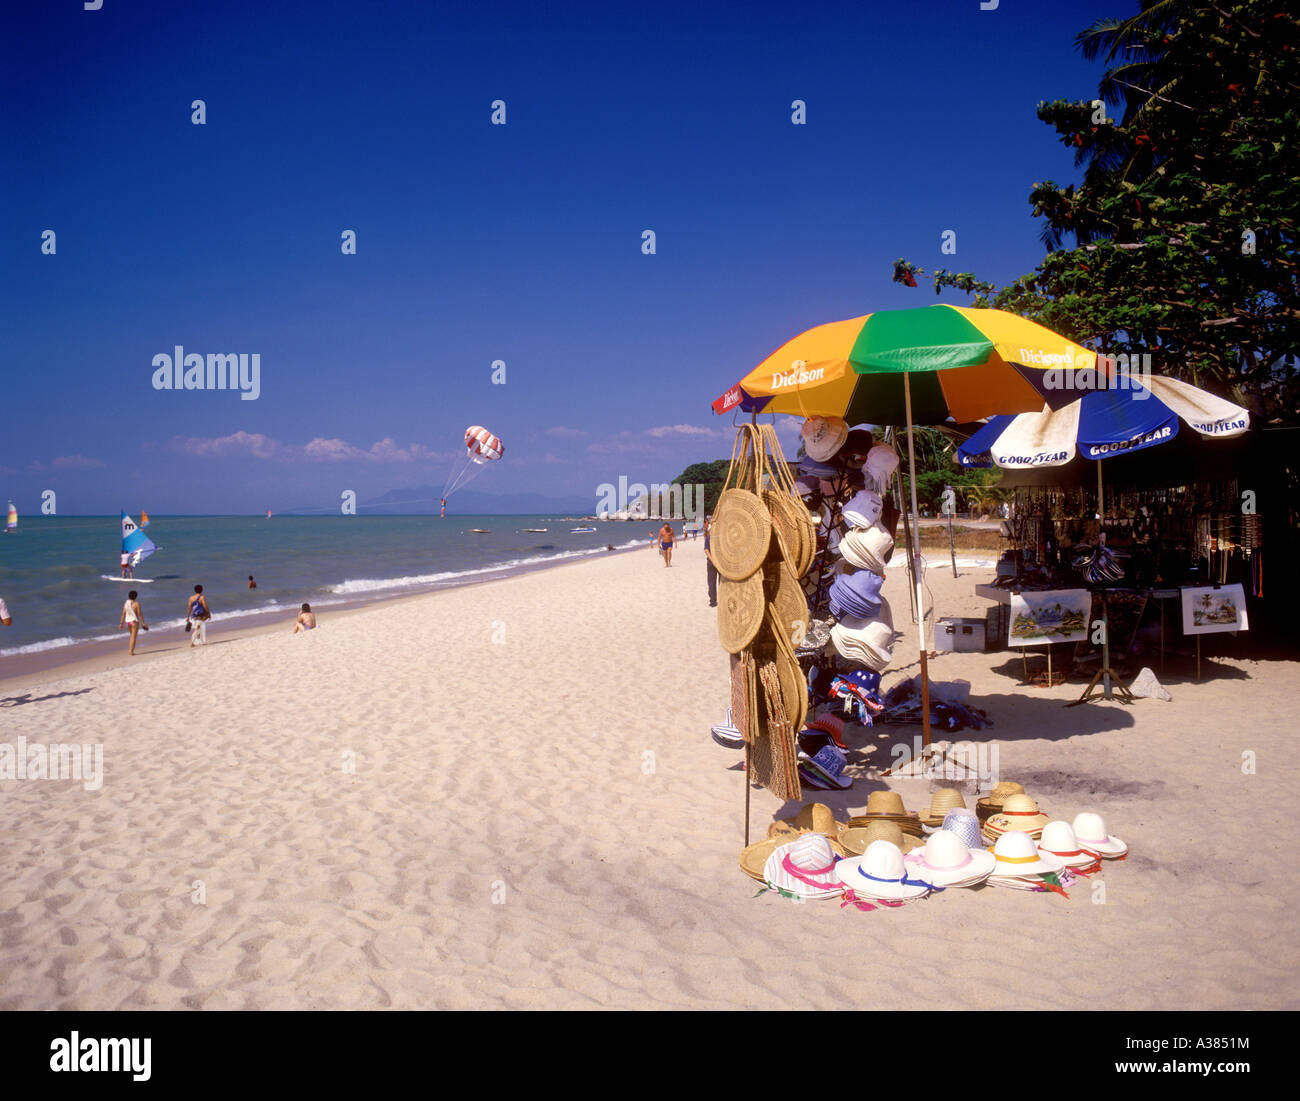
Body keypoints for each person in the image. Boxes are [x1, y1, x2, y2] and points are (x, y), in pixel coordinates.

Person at [118, 590, 148, 655]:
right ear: (135, 597)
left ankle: (130, 650)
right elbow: (139, 614)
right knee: (133, 637)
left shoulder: (126, 603)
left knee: (131, 636)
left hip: (128, 622)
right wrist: (143, 623)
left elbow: (123, 614)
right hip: (134, 622)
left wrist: (121, 623)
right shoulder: (136, 604)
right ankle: (131, 651)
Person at [703, 516, 718, 607]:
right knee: (723, 582)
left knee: (711, 582)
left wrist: (712, 560)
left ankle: (713, 601)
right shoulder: (722, 538)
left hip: (711, 562)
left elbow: (706, 550)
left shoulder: (709, 538)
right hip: (721, 563)